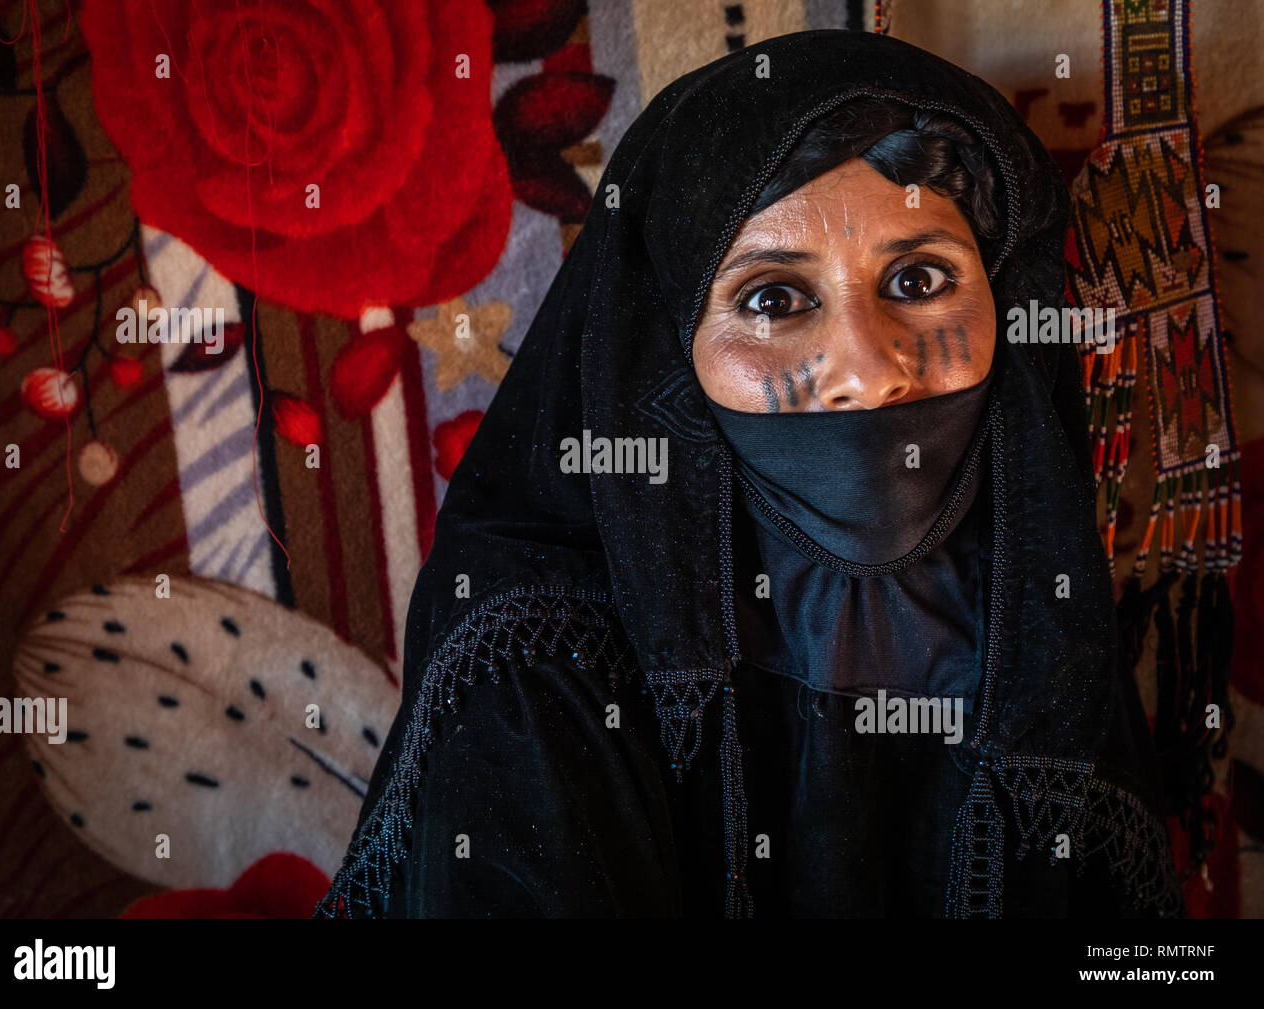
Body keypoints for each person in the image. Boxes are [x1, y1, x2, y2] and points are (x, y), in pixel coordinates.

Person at [316, 28, 1184, 919]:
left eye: (921, 279)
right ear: (661, 354)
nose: (867, 369)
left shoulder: (1029, 597)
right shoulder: (535, 659)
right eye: (774, 300)